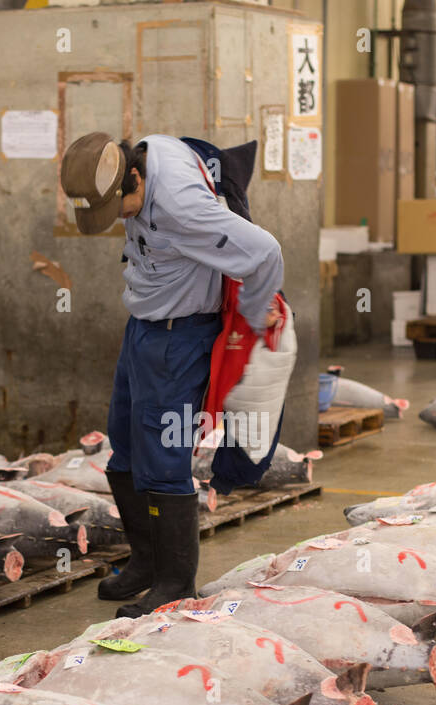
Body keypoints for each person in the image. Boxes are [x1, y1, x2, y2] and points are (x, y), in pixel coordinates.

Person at [60, 132, 283, 617]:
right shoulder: (142, 151)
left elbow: (265, 252)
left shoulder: (182, 204)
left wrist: (254, 308)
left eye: (119, 205)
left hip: (180, 337)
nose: (118, 217)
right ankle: (146, 562)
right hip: (142, 325)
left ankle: (176, 583)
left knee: (163, 459)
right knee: (124, 447)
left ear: (135, 178)